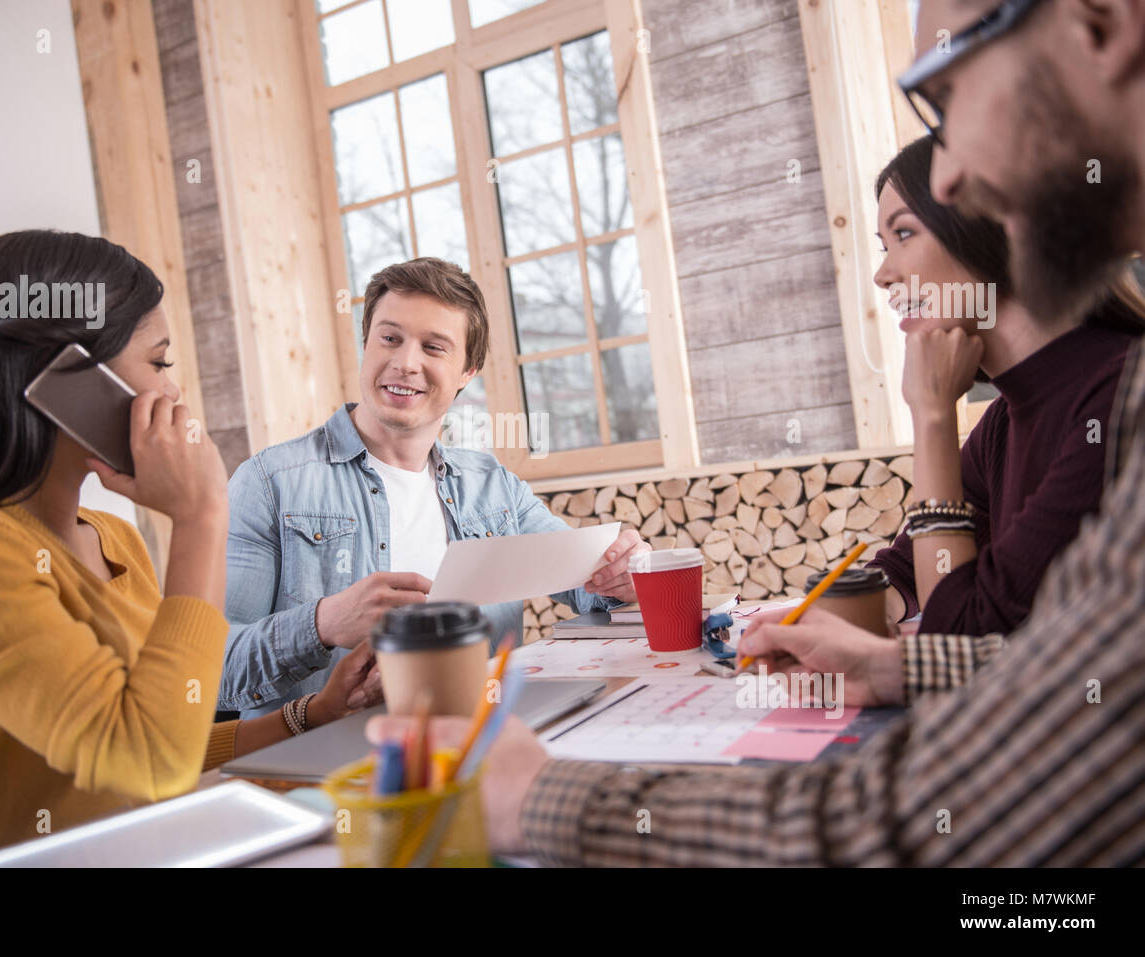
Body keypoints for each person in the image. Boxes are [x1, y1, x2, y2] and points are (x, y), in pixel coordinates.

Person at [369, 0, 1145, 864]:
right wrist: (892, 666)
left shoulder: (1114, 397)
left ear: (1104, 26)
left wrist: (542, 795)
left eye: (953, 97)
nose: (953, 176)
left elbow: (943, 807)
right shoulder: (1020, 416)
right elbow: (1068, 682)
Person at [0, 231, 378, 866]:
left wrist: (310, 714)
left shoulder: (112, 536)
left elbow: (165, 738)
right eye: (159, 363)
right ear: (69, 378)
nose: (173, 392)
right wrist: (203, 515)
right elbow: (146, 761)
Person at [220, 257, 649, 719]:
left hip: (479, 744)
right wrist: (323, 623)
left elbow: (589, 582)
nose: (405, 363)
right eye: (390, 338)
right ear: (367, 343)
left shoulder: (494, 489)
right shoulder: (268, 483)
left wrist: (622, 573)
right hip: (329, 769)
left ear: (468, 371)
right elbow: (214, 674)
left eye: (433, 347)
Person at [866, 134, 1145, 635]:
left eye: (904, 235)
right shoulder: (1002, 422)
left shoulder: (1117, 400)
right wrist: (848, 611)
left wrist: (932, 417)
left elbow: (963, 629)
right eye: (883, 247)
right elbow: (910, 567)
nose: (883, 275)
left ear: (987, 230)